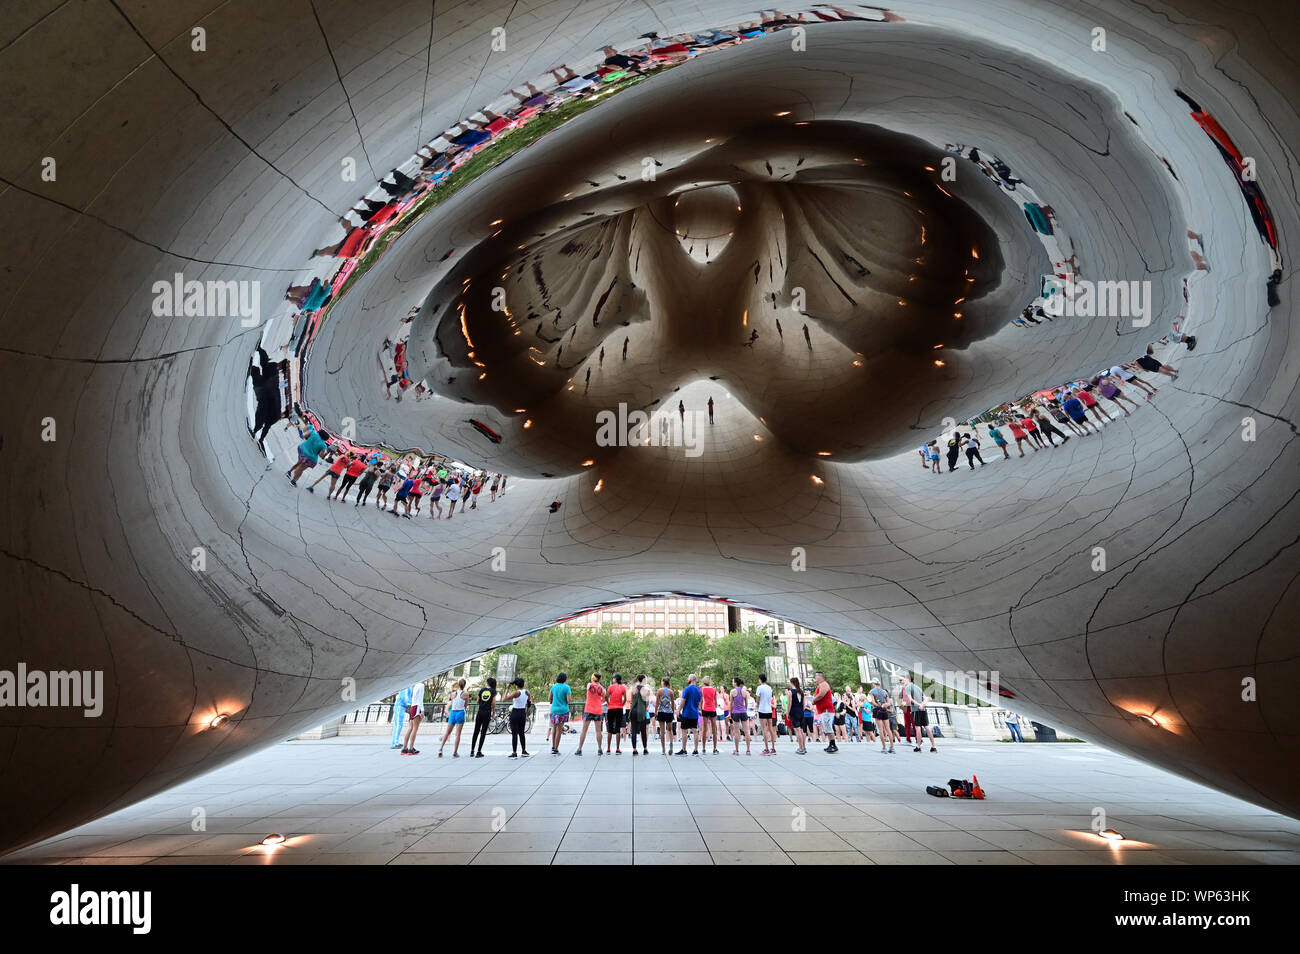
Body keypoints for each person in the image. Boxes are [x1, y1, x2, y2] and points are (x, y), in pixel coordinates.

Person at [900, 675, 937, 752]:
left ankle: (918, 746)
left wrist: (918, 705)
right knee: (927, 727)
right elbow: (926, 698)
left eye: (904, 680)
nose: (903, 682)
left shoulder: (907, 688)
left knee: (918, 728)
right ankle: (933, 746)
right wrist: (922, 704)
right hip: (923, 709)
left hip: (916, 710)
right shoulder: (918, 687)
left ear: (908, 680)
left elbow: (910, 700)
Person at [576, 672, 606, 755]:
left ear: (592, 678)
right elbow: (603, 700)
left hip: (588, 709)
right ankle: (599, 749)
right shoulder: (602, 689)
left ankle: (579, 749)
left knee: (584, 731)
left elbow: (589, 687)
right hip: (598, 710)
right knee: (598, 731)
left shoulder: (589, 685)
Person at [438, 679, 469, 757]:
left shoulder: (452, 694)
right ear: (464, 685)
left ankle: (441, 748)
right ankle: (455, 752)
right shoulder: (466, 694)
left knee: (447, 732)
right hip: (460, 712)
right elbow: (466, 705)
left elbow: (452, 702)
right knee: (458, 734)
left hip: (453, 713)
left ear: (458, 685)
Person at [469, 677, 497, 758]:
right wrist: (493, 712)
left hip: (480, 712)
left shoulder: (482, 690)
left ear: (487, 683)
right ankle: (479, 751)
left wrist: (482, 703)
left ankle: (472, 751)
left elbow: (477, 701)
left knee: (476, 731)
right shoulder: (493, 691)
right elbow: (493, 703)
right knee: (483, 732)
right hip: (487, 713)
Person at [504, 678, 531, 757]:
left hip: (515, 712)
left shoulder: (516, 693)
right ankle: (524, 750)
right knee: (522, 733)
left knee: (514, 733)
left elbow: (504, 699)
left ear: (516, 685)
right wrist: (526, 710)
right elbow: (529, 702)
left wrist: (507, 689)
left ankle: (514, 752)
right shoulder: (527, 692)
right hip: (522, 712)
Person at [677, 674, 702, 755]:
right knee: (695, 731)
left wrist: (678, 710)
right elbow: (699, 703)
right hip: (695, 713)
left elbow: (683, 701)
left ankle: (684, 750)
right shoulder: (698, 690)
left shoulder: (687, 689)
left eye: (688, 678)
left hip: (687, 713)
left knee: (684, 731)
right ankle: (695, 750)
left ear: (691, 679)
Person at [812, 671, 837, 753]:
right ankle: (831, 744)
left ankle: (833, 745)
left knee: (828, 727)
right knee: (826, 728)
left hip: (827, 710)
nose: (815, 678)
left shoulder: (824, 684)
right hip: (823, 710)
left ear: (820, 676)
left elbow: (821, 694)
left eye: (816, 676)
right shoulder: (821, 685)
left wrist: (813, 701)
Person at [868, 680, 895, 753]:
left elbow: (873, 702)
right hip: (884, 710)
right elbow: (889, 703)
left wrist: (878, 704)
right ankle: (892, 747)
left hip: (877, 710)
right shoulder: (884, 692)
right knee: (888, 729)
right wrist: (884, 705)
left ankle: (884, 747)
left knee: (880, 729)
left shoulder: (871, 691)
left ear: (873, 683)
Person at [548, 673, 572, 755]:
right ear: (565, 679)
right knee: (559, 730)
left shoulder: (553, 687)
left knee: (554, 729)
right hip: (563, 711)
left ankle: (553, 746)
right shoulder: (567, 687)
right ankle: (556, 749)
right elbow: (569, 700)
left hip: (554, 710)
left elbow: (549, 698)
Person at [400, 680, 425, 755]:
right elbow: (420, 699)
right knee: (415, 728)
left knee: (410, 728)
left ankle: (404, 748)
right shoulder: (421, 685)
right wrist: (422, 710)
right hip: (417, 707)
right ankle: (411, 748)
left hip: (412, 707)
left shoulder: (415, 685)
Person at [628, 675, 651, 754]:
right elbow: (647, 702)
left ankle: (634, 749)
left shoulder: (633, 689)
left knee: (633, 730)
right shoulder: (646, 689)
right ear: (643, 680)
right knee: (643, 730)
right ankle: (645, 748)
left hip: (633, 710)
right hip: (641, 711)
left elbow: (631, 701)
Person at [605, 674, 627, 753]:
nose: (613, 679)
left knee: (610, 729)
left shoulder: (611, 687)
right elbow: (625, 698)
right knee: (618, 728)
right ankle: (617, 748)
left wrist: (609, 703)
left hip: (611, 708)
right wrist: (622, 704)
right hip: (619, 709)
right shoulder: (623, 687)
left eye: (613, 678)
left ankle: (608, 748)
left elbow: (606, 696)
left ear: (616, 679)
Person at [730, 678, 752, 755]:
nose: (732, 683)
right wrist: (744, 710)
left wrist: (730, 713)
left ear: (735, 683)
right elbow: (746, 703)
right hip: (743, 712)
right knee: (746, 731)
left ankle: (737, 750)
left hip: (736, 712)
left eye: (733, 682)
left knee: (736, 731)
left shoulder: (732, 691)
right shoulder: (744, 692)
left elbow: (731, 704)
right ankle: (748, 750)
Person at [755, 673, 776, 754]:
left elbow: (757, 699)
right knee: (770, 728)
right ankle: (773, 748)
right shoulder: (769, 688)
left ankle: (766, 748)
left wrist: (757, 704)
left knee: (764, 729)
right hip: (769, 710)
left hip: (762, 709)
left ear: (760, 679)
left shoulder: (759, 687)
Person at [786, 677, 808, 754]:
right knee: (802, 731)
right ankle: (804, 747)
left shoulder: (790, 692)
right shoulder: (801, 692)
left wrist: (787, 713)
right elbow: (803, 704)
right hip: (801, 712)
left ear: (792, 682)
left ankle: (801, 748)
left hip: (794, 712)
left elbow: (789, 704)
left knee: (797, 731)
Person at [699, 676, 720, 754]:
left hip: (705, 709)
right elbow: (715, 702)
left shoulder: (702, 689)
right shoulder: (714, 689)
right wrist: (715, 707)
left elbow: (700, 702)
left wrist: (700, 709)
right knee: (714, 729)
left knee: (704, 729)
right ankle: (714, 748)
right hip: (712, 709)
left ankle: (704, 748)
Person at [656, 679, 675, 753]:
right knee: (670, 730)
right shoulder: (671, 691)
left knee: (662, 731)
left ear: (663, 682)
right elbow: (673, 703)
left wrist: (655, 712)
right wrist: (672, 712)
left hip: (661, 711)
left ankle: (663, 749)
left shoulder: (659, 691)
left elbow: (657, 703)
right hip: (669, 712)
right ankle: (671, 744)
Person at [391, 683, 410, 749]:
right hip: (400, 707)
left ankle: (396, 742)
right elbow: (404, 698)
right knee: (398, 725)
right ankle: (395, 743)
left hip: (401, 707)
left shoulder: (406, 685)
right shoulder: (406, 686)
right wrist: (410, 703)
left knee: (398, 725)